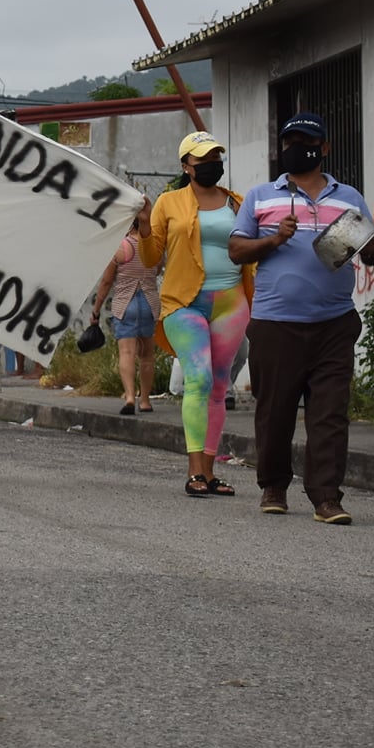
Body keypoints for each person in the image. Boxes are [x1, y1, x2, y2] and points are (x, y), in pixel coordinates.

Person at [230, 112, 374, 524]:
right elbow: (237, 251)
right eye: (289, 141)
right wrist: (275, 238)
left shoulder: (348, 196)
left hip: (335, 322)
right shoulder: (261, 196)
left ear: (325, 149)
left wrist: (367, 246)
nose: (295, 148)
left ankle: (327, 497)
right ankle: (274, 487)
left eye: (305, 141)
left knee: (330, 412)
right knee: (275, 410)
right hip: (276, 322)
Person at [140, 132, 256, 498]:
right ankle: (193, 471)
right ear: (186, 166)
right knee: (199, 378)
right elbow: (149, 257)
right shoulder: (168, 203)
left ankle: (210, 471)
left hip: (231, 301)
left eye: (215, 157)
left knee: (220, 387)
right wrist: (144, 225)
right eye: (203, 159)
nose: (211, 164)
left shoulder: (236, 202)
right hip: (183, 302)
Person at [91, 219, 160, 419]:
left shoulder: (122, 247)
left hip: (125, 303)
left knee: (127, 352)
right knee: (147, 355)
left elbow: (106, 282)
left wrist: (96, 310)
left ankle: (130, 397)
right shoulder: (154, 247)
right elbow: (158, 269)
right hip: (149, 302)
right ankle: (145, 400)